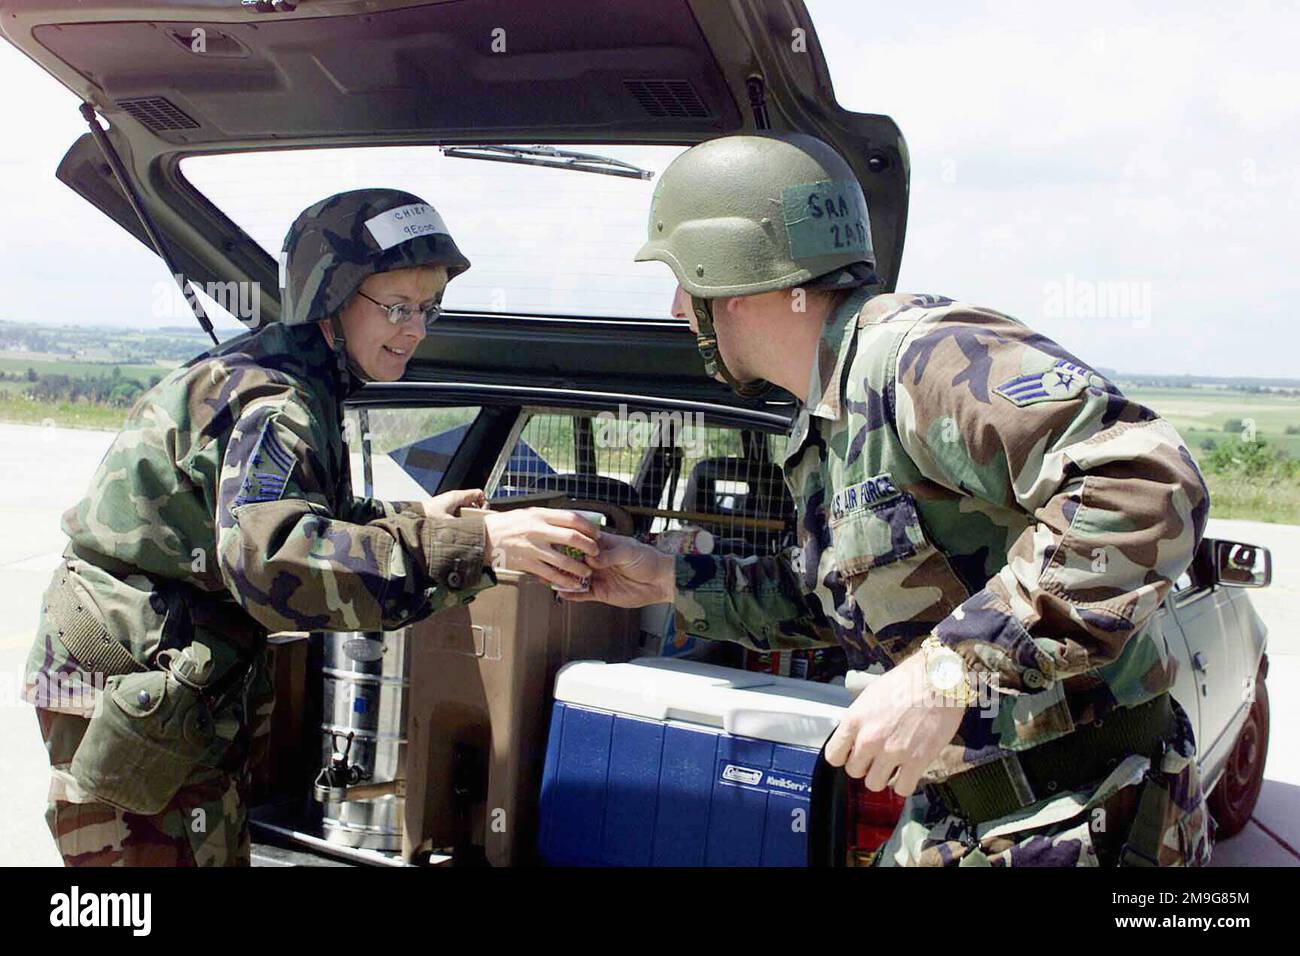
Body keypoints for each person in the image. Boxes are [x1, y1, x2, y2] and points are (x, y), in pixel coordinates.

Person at [563, 134, 1213, 866]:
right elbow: (831, 601)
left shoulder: (920, 357)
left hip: (1085, 816)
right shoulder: (830, 413)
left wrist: (947, 674)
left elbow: (1146, 484)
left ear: (734, 273)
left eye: (684, 277)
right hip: (971, 820)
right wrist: (663, 579)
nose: (678, 306)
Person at [25, 188, 598, 866]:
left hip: (157, 673)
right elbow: (276, 563)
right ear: (331, 297)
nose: (416, 329)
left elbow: (294, 518)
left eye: (428, 307)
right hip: (135, 682)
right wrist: (477, 547)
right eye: (396, 307)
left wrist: (417, 521)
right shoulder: (280, 402)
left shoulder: (300, 376)